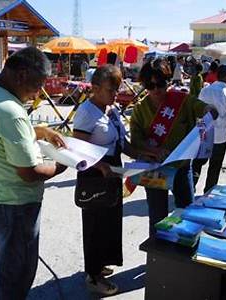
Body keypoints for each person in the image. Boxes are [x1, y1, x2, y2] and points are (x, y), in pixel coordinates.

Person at [0, 47, 67, 300]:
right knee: (18, 272)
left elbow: (2, 135)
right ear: (22, 75)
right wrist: (63, 164)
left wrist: (40, 131)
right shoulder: (11, 112)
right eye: (38, 84)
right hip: (14, 204)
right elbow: (30, 172)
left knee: (5, 261)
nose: (39, 92)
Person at [73, 65, 154, 296]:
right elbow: (78, 149)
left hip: (112, 170)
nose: (115, 94)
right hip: (94, 174)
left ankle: (100, 263)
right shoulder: (86, 112)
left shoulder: (112, 108)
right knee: (95, 226)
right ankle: (93, 275)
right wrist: (100, 166)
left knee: (110, 222)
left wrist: (141, 154)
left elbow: (121, 141)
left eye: (117, 89)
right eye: (111, 89)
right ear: (95, 88)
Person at [130, 58, 217, 236]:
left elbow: (203, 108)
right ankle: (157, 257)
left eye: (160, 84)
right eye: (150, 86)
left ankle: (184, 252)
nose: (156, 90)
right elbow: (136, 141)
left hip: (182, 167)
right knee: (157, 216)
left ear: (168, 81)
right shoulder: (140, 109)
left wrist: (209, 109)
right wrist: (154, 151)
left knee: (187, 213)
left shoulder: (182, 100)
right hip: (155, 168)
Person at [192, 64, 226, 193]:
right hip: (220, 137)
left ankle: (190, 188)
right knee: (215, 165)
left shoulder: (205, 90)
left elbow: (198, 110)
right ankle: (209, 191)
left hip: (203, 134)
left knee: (197, 164)